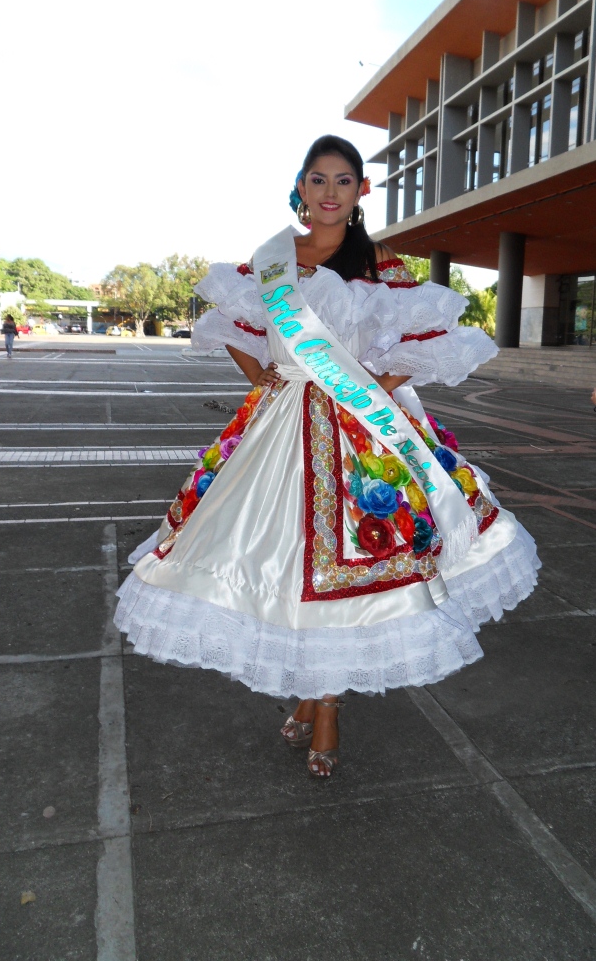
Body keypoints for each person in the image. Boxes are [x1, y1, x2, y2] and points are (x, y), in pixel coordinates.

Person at [114, 135, 540, 779]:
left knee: (357, 567)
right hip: (279, 428)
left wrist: (378, 390)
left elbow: (427, 341)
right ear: (301, 186)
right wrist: (262, 377)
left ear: (361, 192)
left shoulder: (380, 263)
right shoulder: (271, 260)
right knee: (281, 562)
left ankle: (327, 704)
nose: (330, 192)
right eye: (319, 180)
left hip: (359, 428)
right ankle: (315, 692)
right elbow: (236, 326)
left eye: (344, 181)